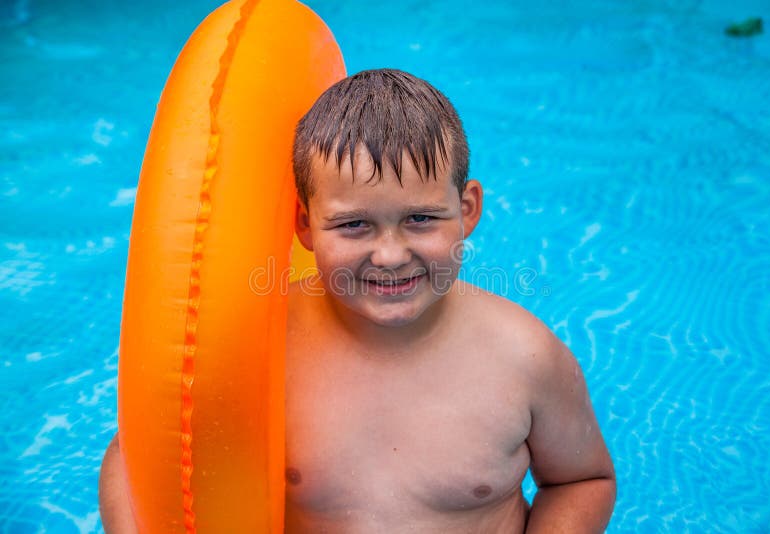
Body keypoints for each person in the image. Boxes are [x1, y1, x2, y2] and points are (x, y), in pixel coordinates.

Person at [100, 68, 615, 533]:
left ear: (467, 209)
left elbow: (581, 480)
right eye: (353, 225)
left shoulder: (525, 357)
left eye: (420, 219)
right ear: (304, 224)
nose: (389, 255)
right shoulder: (257, 350)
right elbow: (136, 456)